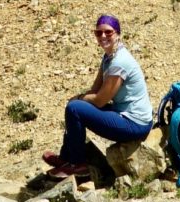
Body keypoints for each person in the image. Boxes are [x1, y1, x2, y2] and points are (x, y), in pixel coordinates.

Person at [43, 13, 152, 182]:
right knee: (76, 106)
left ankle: (79, 165)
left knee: (75, 109)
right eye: (98, 33)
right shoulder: (109, 57)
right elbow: (95, 89)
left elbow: (100, 100)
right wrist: (79, 98)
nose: (103, 36)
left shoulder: (120, 62)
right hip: (122, 113)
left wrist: (78, 99)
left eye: (108, 32)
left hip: (135, 124)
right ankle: (67, 158)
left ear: (118, 34)